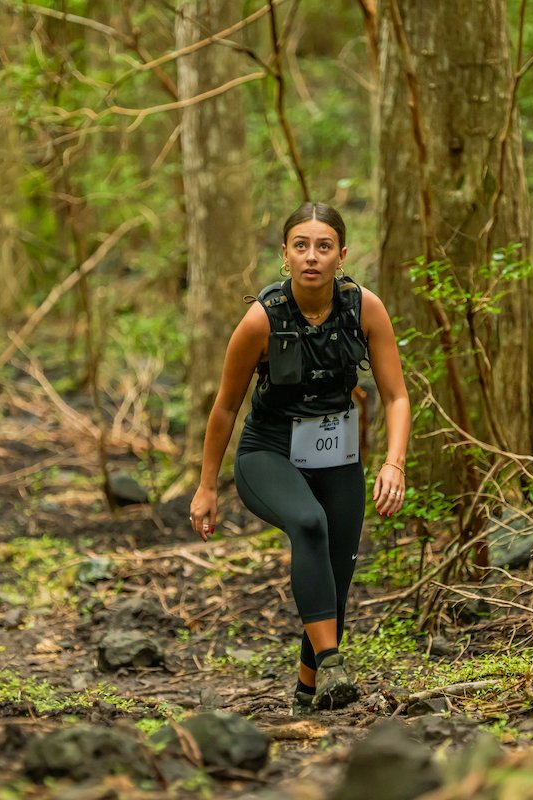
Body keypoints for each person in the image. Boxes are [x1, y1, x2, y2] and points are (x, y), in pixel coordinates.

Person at [189, 202, 411, 714]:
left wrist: (393, 462)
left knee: (337, 571)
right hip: (268, 452)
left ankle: (308, 690)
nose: (312, 256)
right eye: (301, 246)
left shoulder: (364, 308)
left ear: (341, 255)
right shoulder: (260, 320)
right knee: (309, 524)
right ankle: (334, 662)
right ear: (285, 255)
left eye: (324, 246)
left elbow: (396, 396)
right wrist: (206, 486)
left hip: (338, 454)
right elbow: (224, 408)